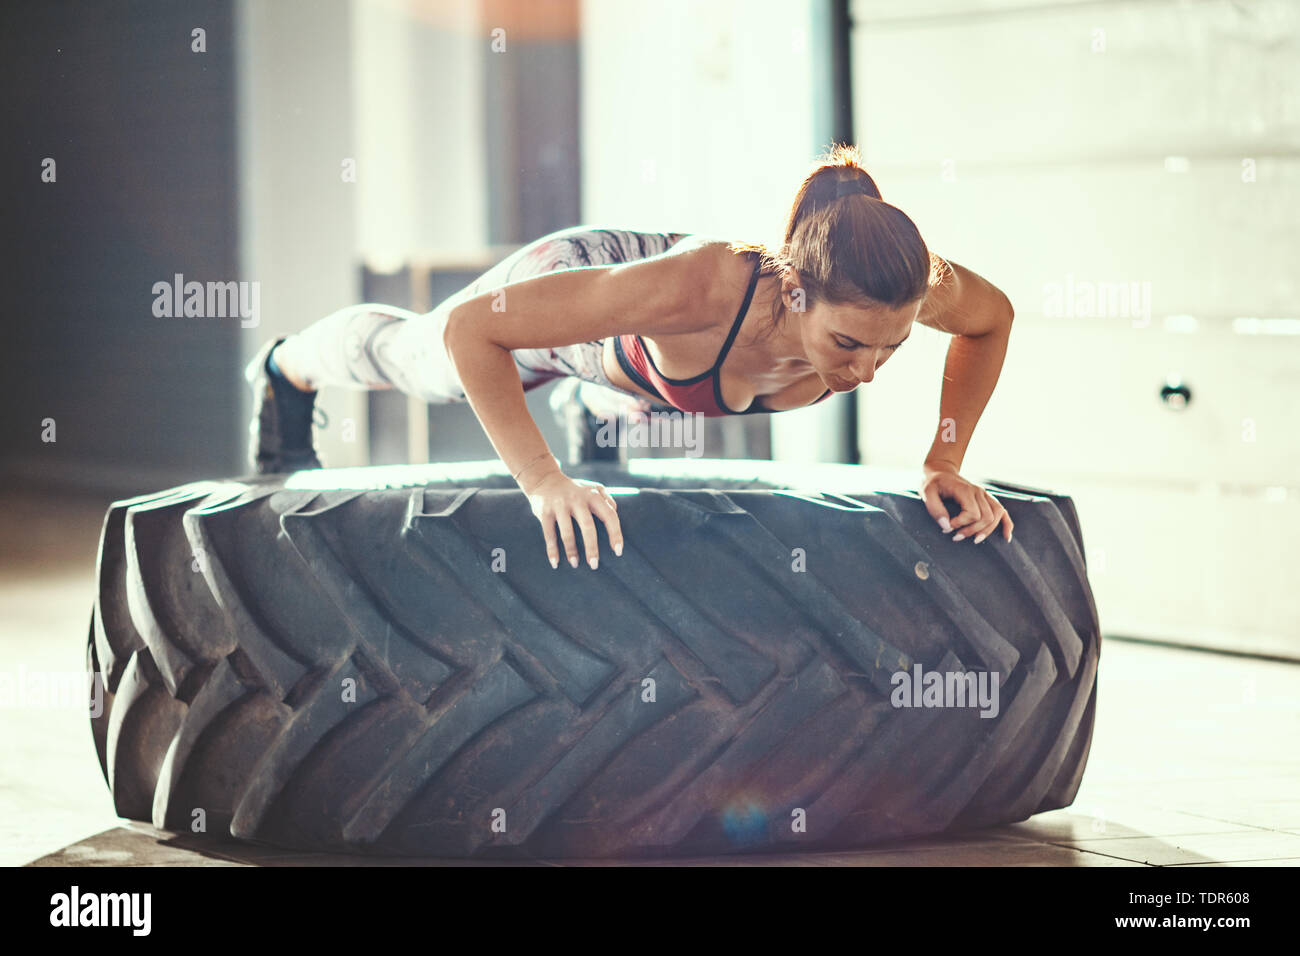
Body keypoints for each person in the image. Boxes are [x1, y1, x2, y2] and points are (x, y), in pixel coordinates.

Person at [247, 143, 1015, 570]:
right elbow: (474, 331)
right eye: (848, 345)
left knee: (648, 391)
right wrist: (543, 481)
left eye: (893, 348)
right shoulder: (709, 288)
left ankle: (598, 401)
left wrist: (943, 460)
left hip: (643, 361)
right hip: (572, 295)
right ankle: (287, 367)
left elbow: (993, 320)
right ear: (797, 292)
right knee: (418, 362)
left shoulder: (906, 286)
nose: (866, 372)